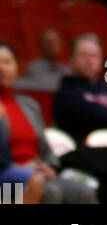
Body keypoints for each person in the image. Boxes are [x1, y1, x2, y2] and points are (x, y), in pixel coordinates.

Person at [0, 41, 96, 203]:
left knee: (84, 192)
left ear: (17, 68)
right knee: (50, 191)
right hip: (7, 177)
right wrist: (20, 169)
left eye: (7, 62)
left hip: (37, 172)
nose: (2, 68)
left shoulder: (29, 105)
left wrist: (49, 167)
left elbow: (45, 148)